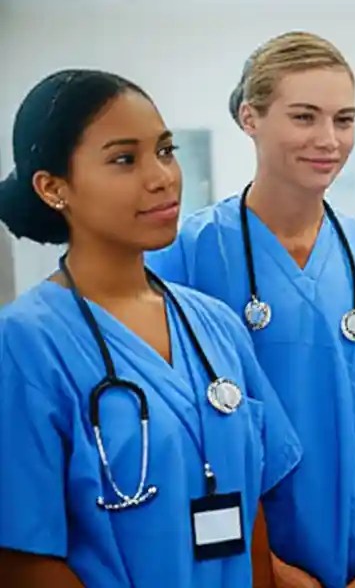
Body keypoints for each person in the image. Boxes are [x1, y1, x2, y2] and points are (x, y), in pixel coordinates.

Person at [147, 32, 355, 588]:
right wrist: (267, 568)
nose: (328, 140)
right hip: (237, 562)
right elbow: (177, 435)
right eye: (304, 117)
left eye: (344, 120)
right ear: (249, 118)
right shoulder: (186, 257)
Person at [0, 69, 302, 587]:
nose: (162, 176)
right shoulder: (24, 345)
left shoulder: (215, 327)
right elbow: (21, 559)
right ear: (53, 188)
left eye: (165, 150)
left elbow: (248, 506)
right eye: (124, 159)